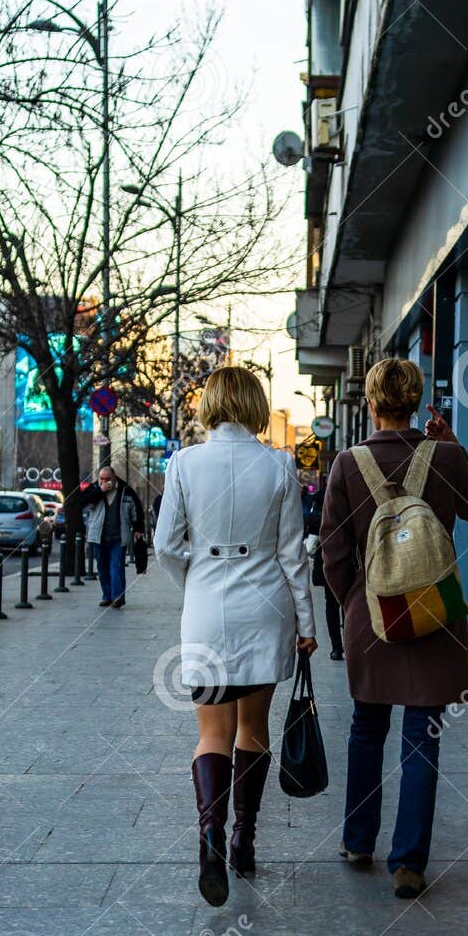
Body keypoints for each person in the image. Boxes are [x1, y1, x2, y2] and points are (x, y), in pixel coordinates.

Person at [321, 357, 468, 899]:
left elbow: (333, 550)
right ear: (416, 403)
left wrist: (355, 603)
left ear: (370, 404)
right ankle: (409, 862)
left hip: (373, 617)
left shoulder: (348, 463)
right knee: (423, 737)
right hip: (435, 612)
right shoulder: (446, 455)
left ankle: (357, 840)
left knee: (366, 728)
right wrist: (454, 443)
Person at [154, 366, 317, 907]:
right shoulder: (279, 465)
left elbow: (165, 546)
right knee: (254, 728)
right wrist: (308, 626)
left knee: (211, 734)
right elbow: (294, 555)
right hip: (265, 610)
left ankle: (210, 836)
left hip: (206, 612)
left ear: (208, 405)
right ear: (254, 405)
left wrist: (196, 580)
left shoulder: (184, 463)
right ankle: (245, 838)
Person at [79, 465, 145, 609]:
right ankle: (107, 596)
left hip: (119, 536)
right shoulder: (94, 489)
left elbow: (136, 508)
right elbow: (82, 502)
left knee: (116, 566)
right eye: (101, 479)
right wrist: (99, 492)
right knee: (102, 567)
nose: (104, 482)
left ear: (114, 478)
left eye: (108, 479)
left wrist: (138, 528)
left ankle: (118, 597)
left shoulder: (125, 490)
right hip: (98, 536)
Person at [302, 481, 344, 660]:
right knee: (337, 603)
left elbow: (310, 521)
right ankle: (337, 646)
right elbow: (311, 521)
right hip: (334, 557)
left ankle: (338, 647)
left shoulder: (323, 496)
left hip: (331, 556)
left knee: (335, 604)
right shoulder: (324, 497)